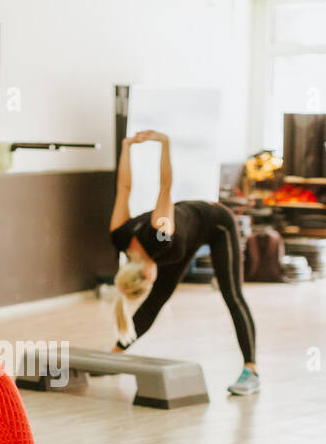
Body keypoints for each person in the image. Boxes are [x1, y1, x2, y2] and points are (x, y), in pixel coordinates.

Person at [109, 130, 261, 395]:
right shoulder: (122, 239)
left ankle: (252, 370)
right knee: (158, 298)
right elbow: (123, 188)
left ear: (144, 272)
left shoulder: (158, 233)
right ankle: (116, 352)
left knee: (232, 295)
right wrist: (125, 146)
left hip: (216, 223)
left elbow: (165, 186)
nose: (153, 280)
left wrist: (165, 144)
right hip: (185, 235)